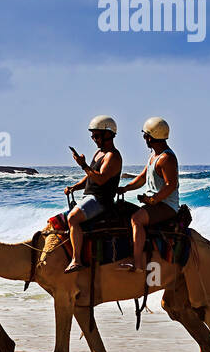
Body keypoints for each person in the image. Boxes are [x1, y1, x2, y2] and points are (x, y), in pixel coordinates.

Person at [62, 115, 123, 273]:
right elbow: (90, 176)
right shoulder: (99, 154)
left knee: (73, 218)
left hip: (101, 200)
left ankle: (76, 260)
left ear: (108, 134)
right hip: (89, 197)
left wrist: (83, 165)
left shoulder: (113, 156)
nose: (94, 139)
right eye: (93, 136)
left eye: (97, 135)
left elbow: (101, 179)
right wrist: (75, 187)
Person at [117, 117, 179, 271]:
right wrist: (125, 188)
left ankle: (137, 263)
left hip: (166, 206)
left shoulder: (166, 158)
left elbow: (171, 185)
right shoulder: (153, 156)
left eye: (145, 136)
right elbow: (142, 178)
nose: (144, 138)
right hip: (155, 203)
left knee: (136, 219)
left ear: (150, 137)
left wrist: (153, 199)